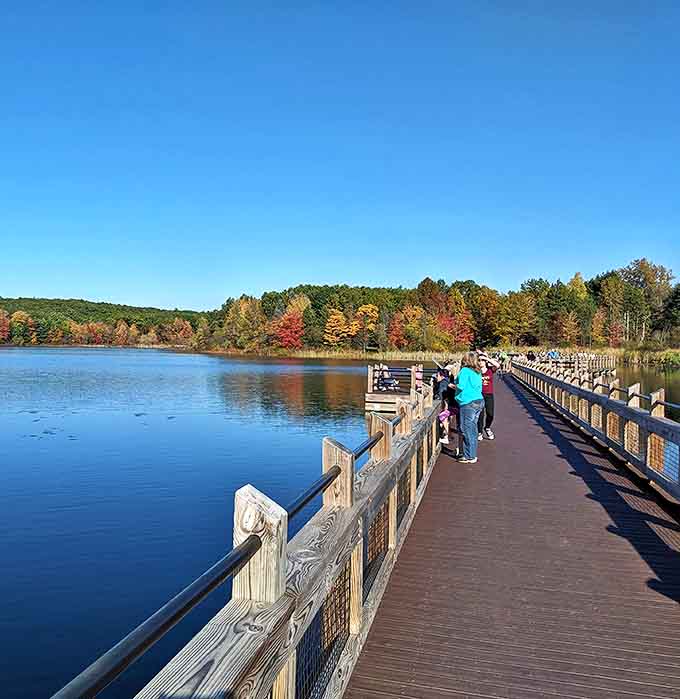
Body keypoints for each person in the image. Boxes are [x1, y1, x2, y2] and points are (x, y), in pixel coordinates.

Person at [452, 351, 484, 463]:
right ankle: (472, 453)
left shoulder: (465, 371)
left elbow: (461, 386)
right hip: (478, 400)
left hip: (468, 402)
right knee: (473, 429)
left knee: (466, 429)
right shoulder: (477, 371)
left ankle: (468, 456)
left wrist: (452, 385)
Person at [477, 352, 500, 440]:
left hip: (489, 394)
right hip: (479, 395)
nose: (481, 362)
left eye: (482, 360)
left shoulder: (490, 370)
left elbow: (497, 365)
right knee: (480, 414)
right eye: (479, 360)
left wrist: (486, 358)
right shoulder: (476, 371)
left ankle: (487, 428)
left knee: (490, 414)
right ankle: (479, 432)